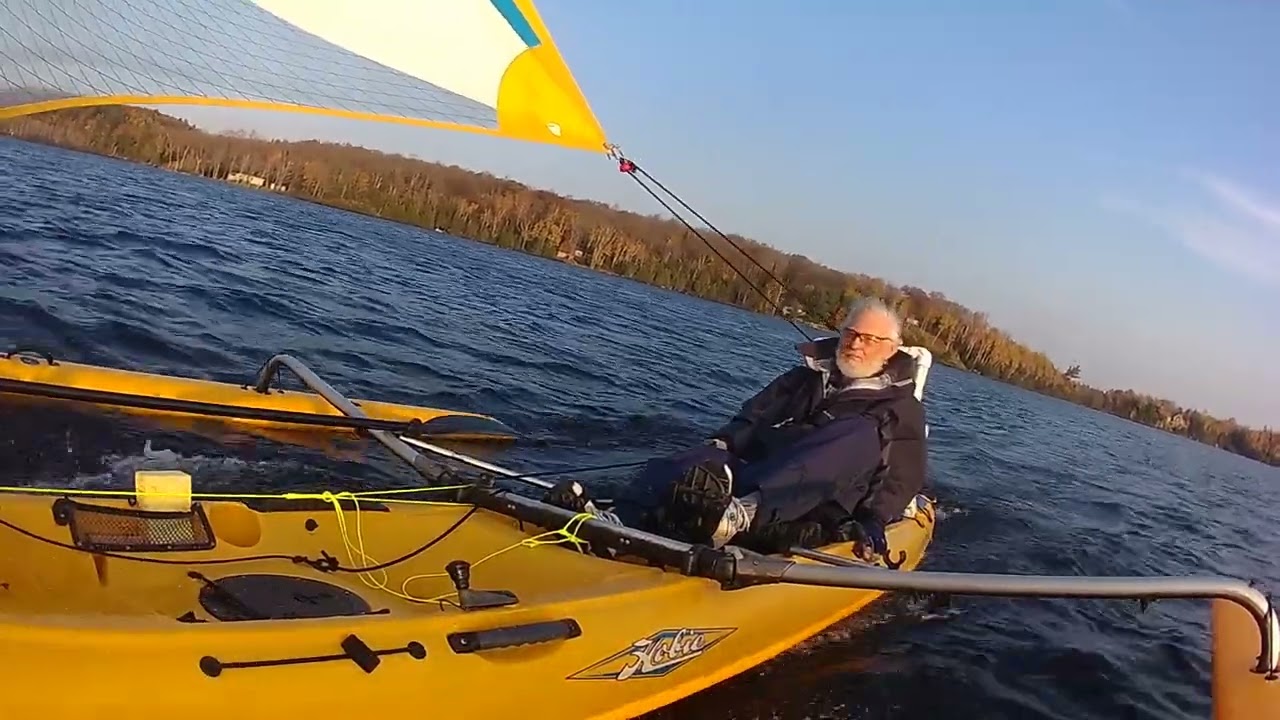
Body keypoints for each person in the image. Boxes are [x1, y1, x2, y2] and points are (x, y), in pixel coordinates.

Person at [545, 297, 929, 558]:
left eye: (869, 339)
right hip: (758, 469)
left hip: (820, 501)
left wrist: (876, 516)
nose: (856, 345)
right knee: (704, 457)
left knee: (856, 435)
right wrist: (721, 446)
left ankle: (739, 516)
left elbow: (903, 475)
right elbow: (751, 419)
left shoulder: (899, 407)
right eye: (851, 334)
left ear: (890, 350)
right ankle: (617, 522)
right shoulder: (801, 379)